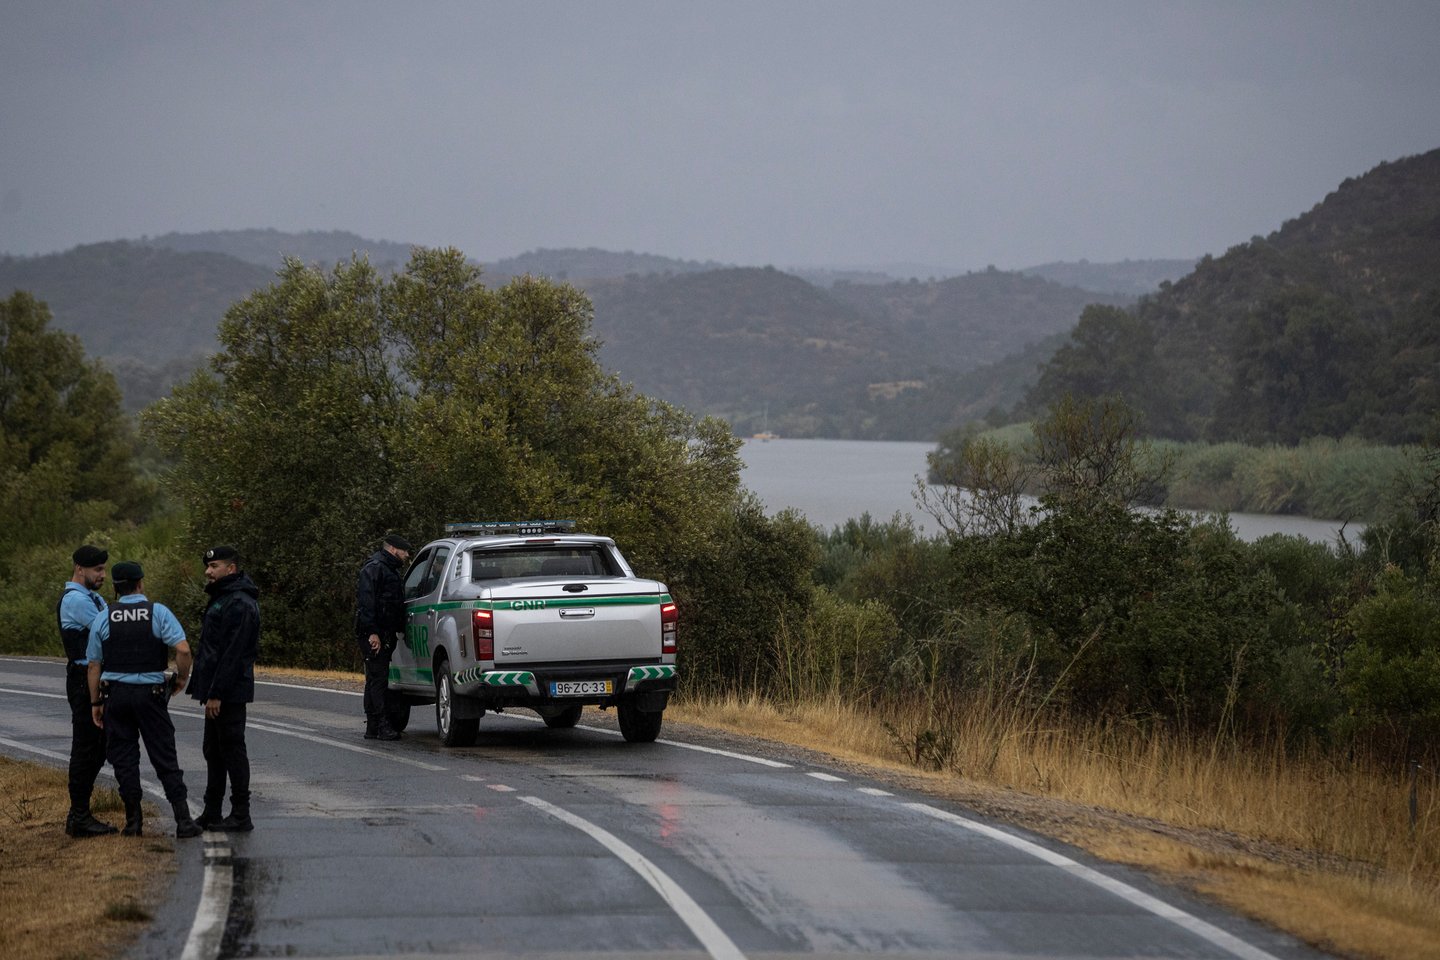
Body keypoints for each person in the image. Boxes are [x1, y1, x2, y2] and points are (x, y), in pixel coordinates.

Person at [86, 560, 202, 839]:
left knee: (125, 759)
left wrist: (95, 703)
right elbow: (183, 650)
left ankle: (133, 822)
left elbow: (93, 666)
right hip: (150, 697)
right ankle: (183, 820)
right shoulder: (157, 612)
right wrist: (181, 678)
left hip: (117, 697)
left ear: (116, 588)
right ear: (140, 584)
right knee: (165, 757)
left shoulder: (104, 616)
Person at [190, 545, 260, 832]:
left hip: (229, 691)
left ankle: (241, 813)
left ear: (230, 569)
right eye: (207, 566)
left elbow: (233, 653)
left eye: (214, 566)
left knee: (232, 749)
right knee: (213, 750)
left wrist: (217, 692)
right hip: (215, 690)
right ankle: (213, 810)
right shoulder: (222, 598)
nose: (208, 571)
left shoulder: (240, 602)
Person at [57, 544, 117, 838]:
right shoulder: (76, 601)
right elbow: (108, 634)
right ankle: (79, 816)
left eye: (104, 569)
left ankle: (79, 814)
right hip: (83, 678)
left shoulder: (93, 598)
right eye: (97, 570)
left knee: (99, 747)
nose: (102, 575)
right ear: (79, 569)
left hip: (93, 676)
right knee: (86, 747)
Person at [355, 533, 411, 740]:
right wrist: (373, 633)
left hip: (383, 632)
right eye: (404, 551)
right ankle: (381, 725)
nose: (406, 555)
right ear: (394, 549)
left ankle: (373, 726)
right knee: (378, 680)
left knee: (374, 679)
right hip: (375, 633)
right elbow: (367, 603)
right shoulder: (375, 568)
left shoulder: (388, 569)